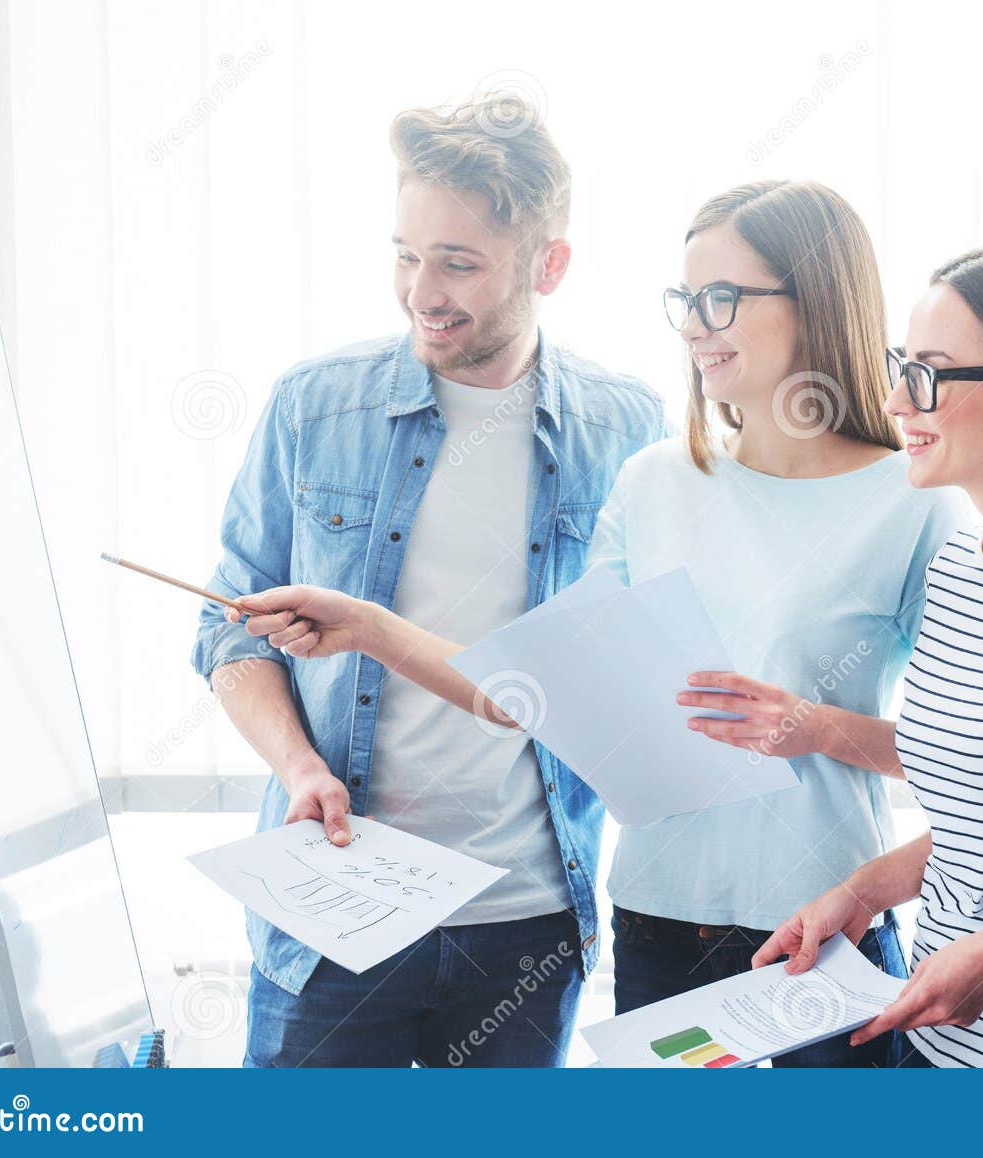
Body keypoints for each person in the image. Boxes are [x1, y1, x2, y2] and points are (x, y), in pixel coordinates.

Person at [233, 179, 972, 1067]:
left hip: (826, 929)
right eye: (685, 301)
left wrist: (815, 728)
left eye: (721, 298)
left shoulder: (915, 503)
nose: (694, 326)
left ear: (816, 300)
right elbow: (536, 694)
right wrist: (365, 627)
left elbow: (979, 763)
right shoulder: (655, 481)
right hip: (659, 927)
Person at [191, 95, 666, 1067]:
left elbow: (626, 681)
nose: (420, 291)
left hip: (525, 922)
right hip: (330, 908)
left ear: (549, 266)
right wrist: (300, 767)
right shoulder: (314, 405)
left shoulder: (628, 428)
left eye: (457, 263)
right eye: (405, 255)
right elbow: (229, 630)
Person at [696, 245, 983, 1067]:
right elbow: (981, 828)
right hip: (935, 1041)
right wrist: (860, 891)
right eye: (900, 367)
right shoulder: (959, 568)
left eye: (931, 375)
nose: (896, 400)